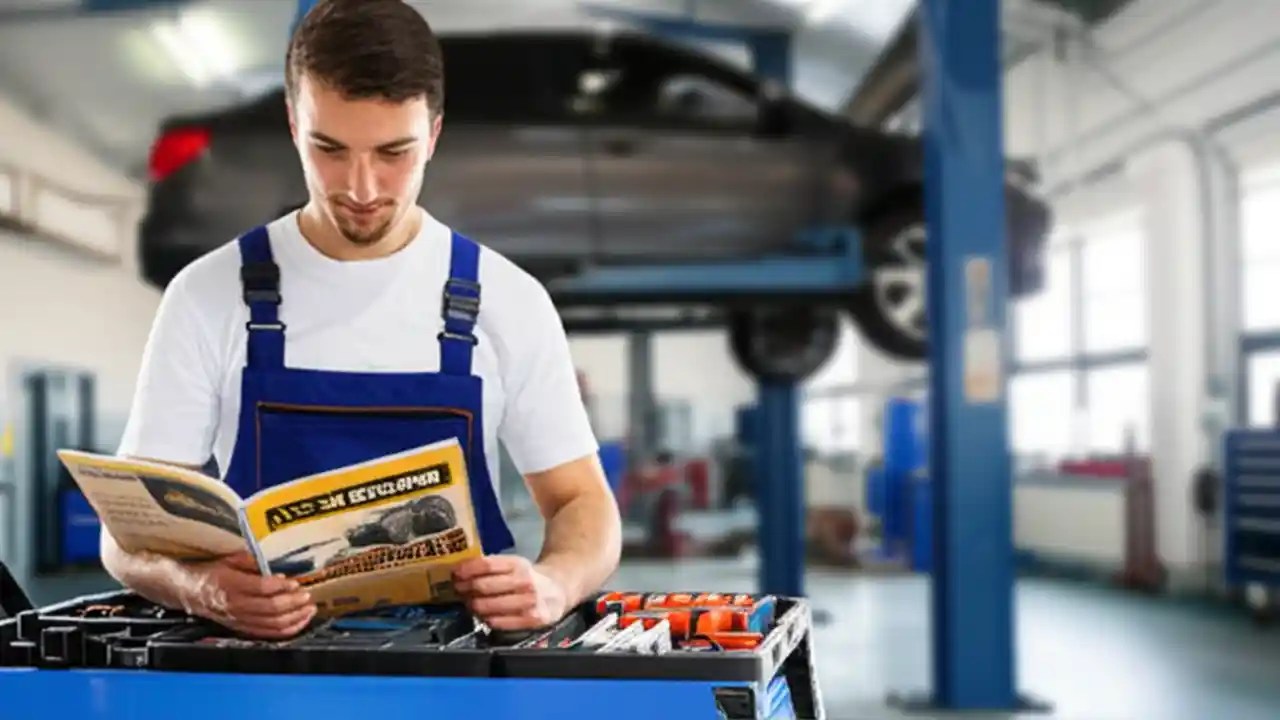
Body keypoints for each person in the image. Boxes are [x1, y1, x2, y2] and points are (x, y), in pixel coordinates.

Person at [102, 0, 621, 639]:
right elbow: (125, 540)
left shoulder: (505, 299)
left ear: (433, 134)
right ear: (294, 125)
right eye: (330, 148)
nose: (363, 186)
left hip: (456, 674)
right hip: (259, 682)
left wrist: (555, 583)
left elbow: (583, 501)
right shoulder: (209, 295)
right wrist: (200, 588)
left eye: (393, 152)